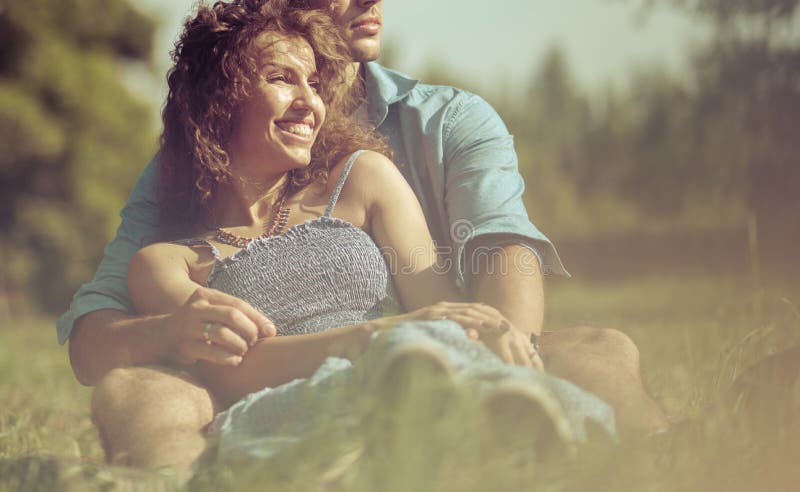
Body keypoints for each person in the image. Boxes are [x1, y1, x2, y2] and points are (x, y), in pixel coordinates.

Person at [59, 0, 667, 469]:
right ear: (219, 96)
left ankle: (565, 437)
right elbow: (129, 342)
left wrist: (502, 339)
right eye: (282, 78)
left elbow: (473, 276)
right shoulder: (166, 242)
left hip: (426, 350)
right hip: (318, 373)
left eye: (315, 84)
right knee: (140, 393)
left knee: (595, 349)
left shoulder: (383, 163)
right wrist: (379, 337)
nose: (307, 102)